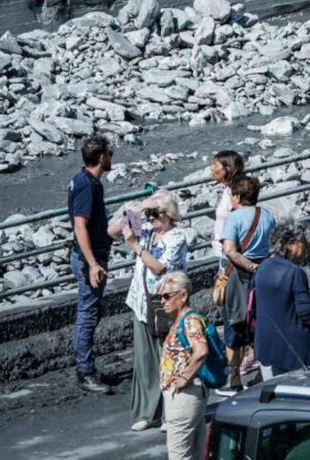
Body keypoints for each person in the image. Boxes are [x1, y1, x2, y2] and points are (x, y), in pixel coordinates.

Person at [110, 190, 189, 431]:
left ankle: (170, 412)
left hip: (165, 306)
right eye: (150, 215)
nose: (152, 219)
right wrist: (139, 207)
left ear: (169, 214)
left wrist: (135, 246)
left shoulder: (176, 238)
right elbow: (112, 231)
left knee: (169, 358)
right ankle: (148, 412)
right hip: (142, 304)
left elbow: (157, 267)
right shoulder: (147, 233)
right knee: (145, 361)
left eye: (156, 214)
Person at [218, 175, 276, 396]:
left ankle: (233, 379)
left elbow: (230, 251)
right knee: (259, 322)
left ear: (238, 196)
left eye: (232, 194)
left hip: (241, 274)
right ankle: (263, 372)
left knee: (234, 324)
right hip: (263, 273)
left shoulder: (234, 218)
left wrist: (250, 266)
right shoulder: (266, 215)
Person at [68, 134, 114, 394]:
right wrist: (93, 263)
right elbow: (80, 224)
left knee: (92, 311)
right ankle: (85, 372)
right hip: (90, 259)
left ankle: (87, 366)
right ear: (101, 158)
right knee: (88, 314)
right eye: (109, 154)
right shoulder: (88, 185)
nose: (111, 158)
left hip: (89, 256)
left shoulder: (82, 180)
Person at [253, 224, 310, 377]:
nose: (306, 247)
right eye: (303, 242)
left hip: (266, 345)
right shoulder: (294, 272)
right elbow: (305, 313)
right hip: (295, 349)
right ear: (290, 244)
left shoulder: (262, 268)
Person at [157, 271, 209, 460]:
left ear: (183, 295)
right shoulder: (185, 319)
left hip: (184, 397)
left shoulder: (189, 320)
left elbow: (201, 350)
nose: (162, 301)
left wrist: (184, 378)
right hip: (191, 395)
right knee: (196, 452)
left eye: (166, 296)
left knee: (179, 455)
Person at [209, 150, 245, 259]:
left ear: (227, 169)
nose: (211, 168)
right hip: (224, 252)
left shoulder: (235, 194)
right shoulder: (228, 190)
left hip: (230, 254)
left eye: (215, 165)